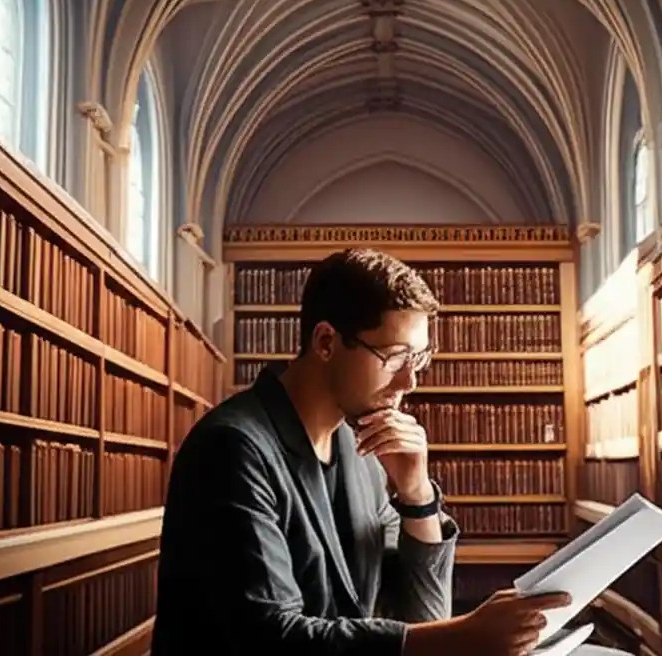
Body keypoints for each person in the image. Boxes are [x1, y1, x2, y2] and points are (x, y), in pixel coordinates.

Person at [152, 247, 569, 655]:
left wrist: (418, 496)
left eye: (419, 359)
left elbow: (421, 616)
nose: (410, 382)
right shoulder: (233, 448)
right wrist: (463, 637)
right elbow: (271, 639)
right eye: (394, 357)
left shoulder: (360, 450)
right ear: (327, 341)